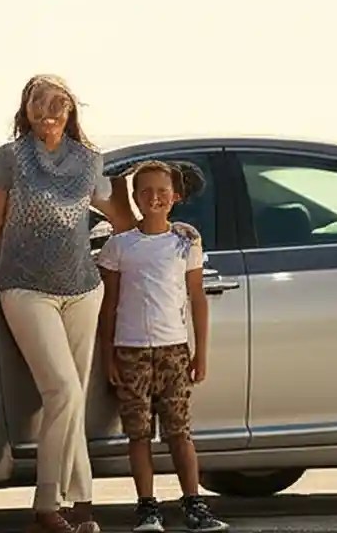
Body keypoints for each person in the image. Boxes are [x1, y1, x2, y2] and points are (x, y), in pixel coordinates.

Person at [0, 74, 138, 533]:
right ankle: (45, 508)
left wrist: (134, 202)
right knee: (63, 391)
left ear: (71, 110)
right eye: (38, 102)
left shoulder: (90, 160)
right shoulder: (11, 157)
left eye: (57, 102)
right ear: (26, 109)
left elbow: (120, 220)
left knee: (70, 396)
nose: (48, 110)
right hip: (23, 286)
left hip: (82, 289)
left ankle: (83, 507)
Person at [96, 160, 228, 533]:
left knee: (179, 432)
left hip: (173, 350)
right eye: (146, 192)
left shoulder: (185, 241)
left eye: (162, 192)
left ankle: (193, 503)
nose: (154, 198)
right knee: (138, 433)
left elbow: (197, 297)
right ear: (136, 198)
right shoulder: (120, 246)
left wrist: (200, 351)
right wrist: (108, 355)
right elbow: (110, 305)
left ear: (176, 197)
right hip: (131, 350)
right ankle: (147, 507)